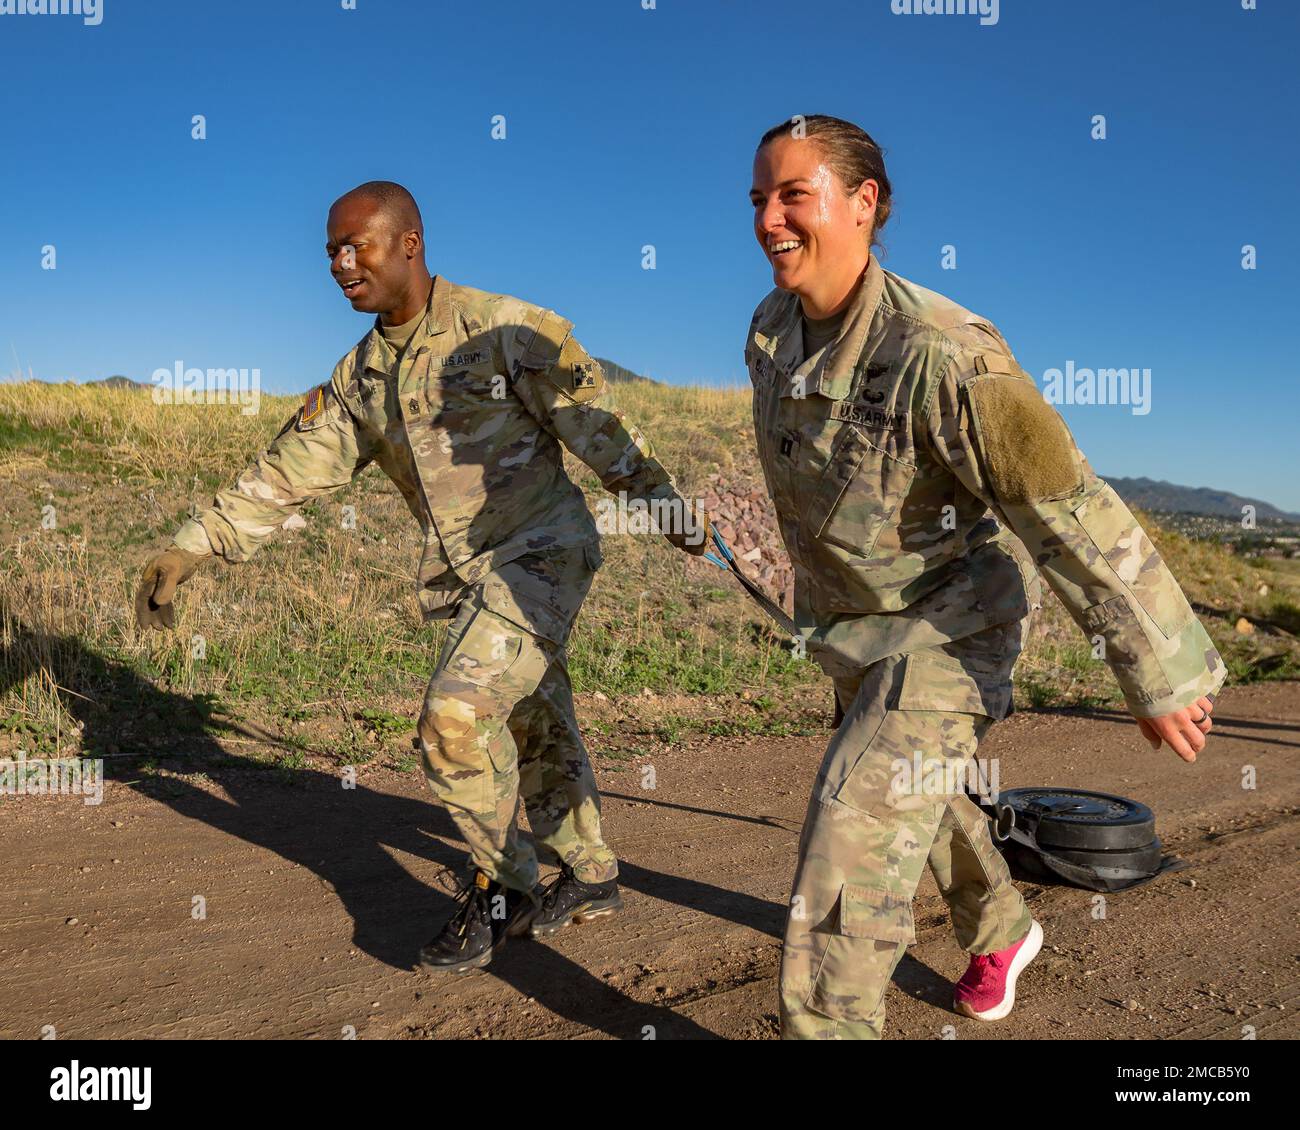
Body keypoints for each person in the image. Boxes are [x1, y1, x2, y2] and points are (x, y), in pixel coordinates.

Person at [135, 180, 707, 973]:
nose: (339, 263)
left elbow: (596, 426)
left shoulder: (502, 332)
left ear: (409, 242)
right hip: (469, 578)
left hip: (542, 552)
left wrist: (664, 507)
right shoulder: (362, 376)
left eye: (354, 245)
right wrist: (192, 547)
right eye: (330, 251)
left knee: (455, 717)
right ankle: (591, 873)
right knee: (533, 717)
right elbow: (285, 473)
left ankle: (503, 885)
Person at [744, 116, 1225, 1039]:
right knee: (921, 795)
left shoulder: (945, 353)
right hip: (854, 625)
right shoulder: (771, 330)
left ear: (864, 204)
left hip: (953, 625)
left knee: (850, 831)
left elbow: (1062, 504)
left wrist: (1158, 668)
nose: (769, 218)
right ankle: (1002, 928)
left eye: (793, 194)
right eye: (759, 198)